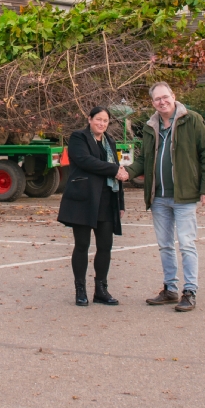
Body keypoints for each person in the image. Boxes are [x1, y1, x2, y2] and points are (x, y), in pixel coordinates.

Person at [126, 82, 205, 312]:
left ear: (174, 96)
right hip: (159, 198)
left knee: (186, 244)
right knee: (165, 245)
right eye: (157, 99)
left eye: (165, 97)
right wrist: (126, 172)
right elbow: (144, 159)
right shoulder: (150, 126)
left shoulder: (192, 120)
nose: (162, 102)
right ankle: (170, 289)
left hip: (184, 196)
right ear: (152, 102)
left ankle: (190, 291)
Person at [57, 106, 129, 306]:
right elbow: (85, 161)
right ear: (89, 119)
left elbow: (117, 173)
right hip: (84, 199)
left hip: (107, 200)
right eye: (98, 119)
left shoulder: (110, 142)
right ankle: (80, 290)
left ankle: (101, 289)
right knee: (82, 245)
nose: (102, 124)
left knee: (105, 246)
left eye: (105, 121)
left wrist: (120, 202)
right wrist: (115, 169)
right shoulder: (78, 137)